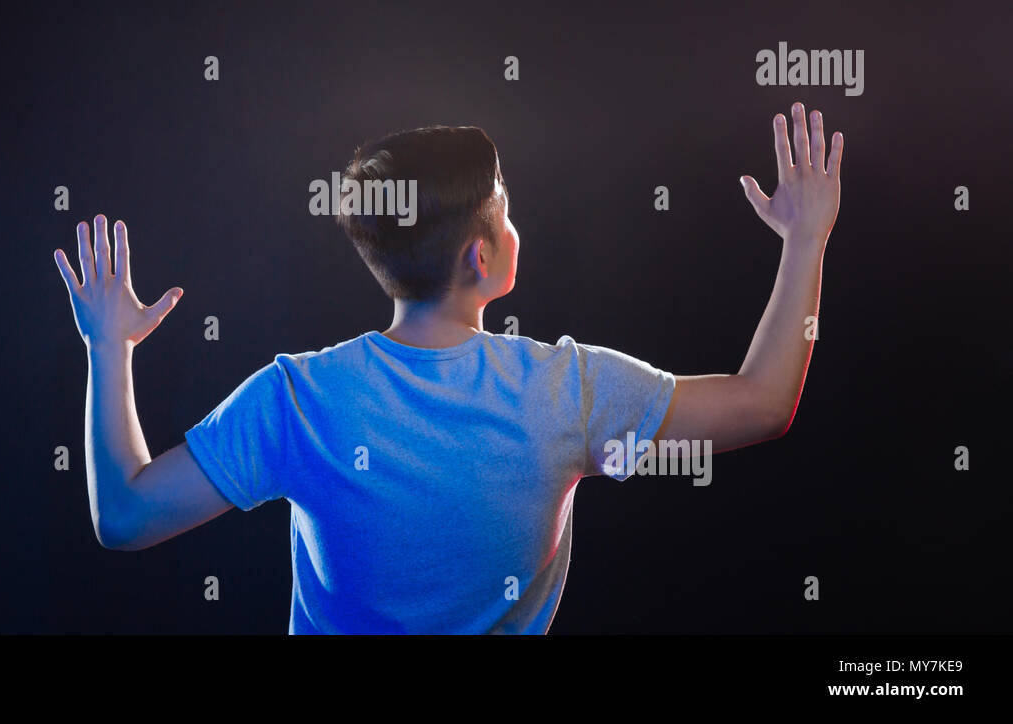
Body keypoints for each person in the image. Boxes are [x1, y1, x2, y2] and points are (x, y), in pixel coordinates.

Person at [53, 102, 844, 633]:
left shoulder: (298, 400)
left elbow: (123, 518)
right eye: (504, 207)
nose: (513, 220)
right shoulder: (564, 394)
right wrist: (805, 239)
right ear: (482, 254)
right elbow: (764, 403)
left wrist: (108, 349)